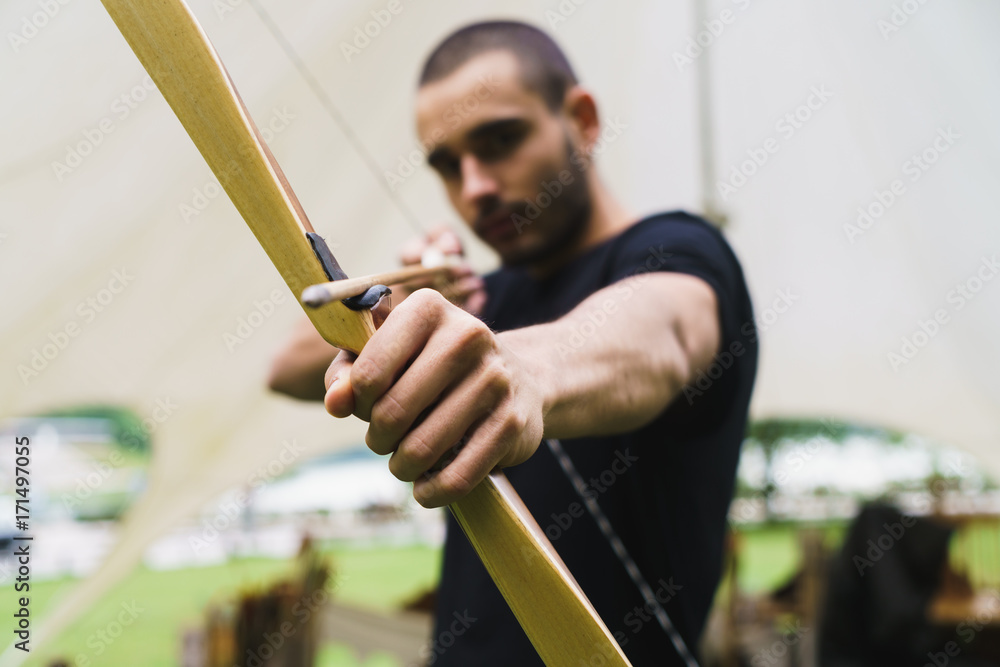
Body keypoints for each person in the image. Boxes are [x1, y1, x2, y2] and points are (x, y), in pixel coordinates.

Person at [268, 20, 757, 666]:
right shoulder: (480, 304)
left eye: (500, 140)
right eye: (447, 165)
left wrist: (526, 370)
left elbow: (658, 336)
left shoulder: (681, 253)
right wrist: (390, 303)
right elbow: (287, 368)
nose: (475, 187)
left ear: (580, 120)